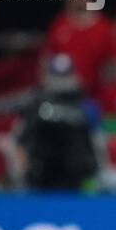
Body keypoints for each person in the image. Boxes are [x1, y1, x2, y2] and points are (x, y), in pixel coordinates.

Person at [12, 53, 102, 191]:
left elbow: (98, 141)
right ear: (48, 76)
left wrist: (94, 175)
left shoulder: (87, 106)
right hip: (41, 177)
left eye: (65, 77)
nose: (61, 82)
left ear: (73, 76)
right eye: (58, 77)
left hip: (77, 178)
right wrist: (22, 174)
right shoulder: (35, 104)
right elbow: (21, 140)